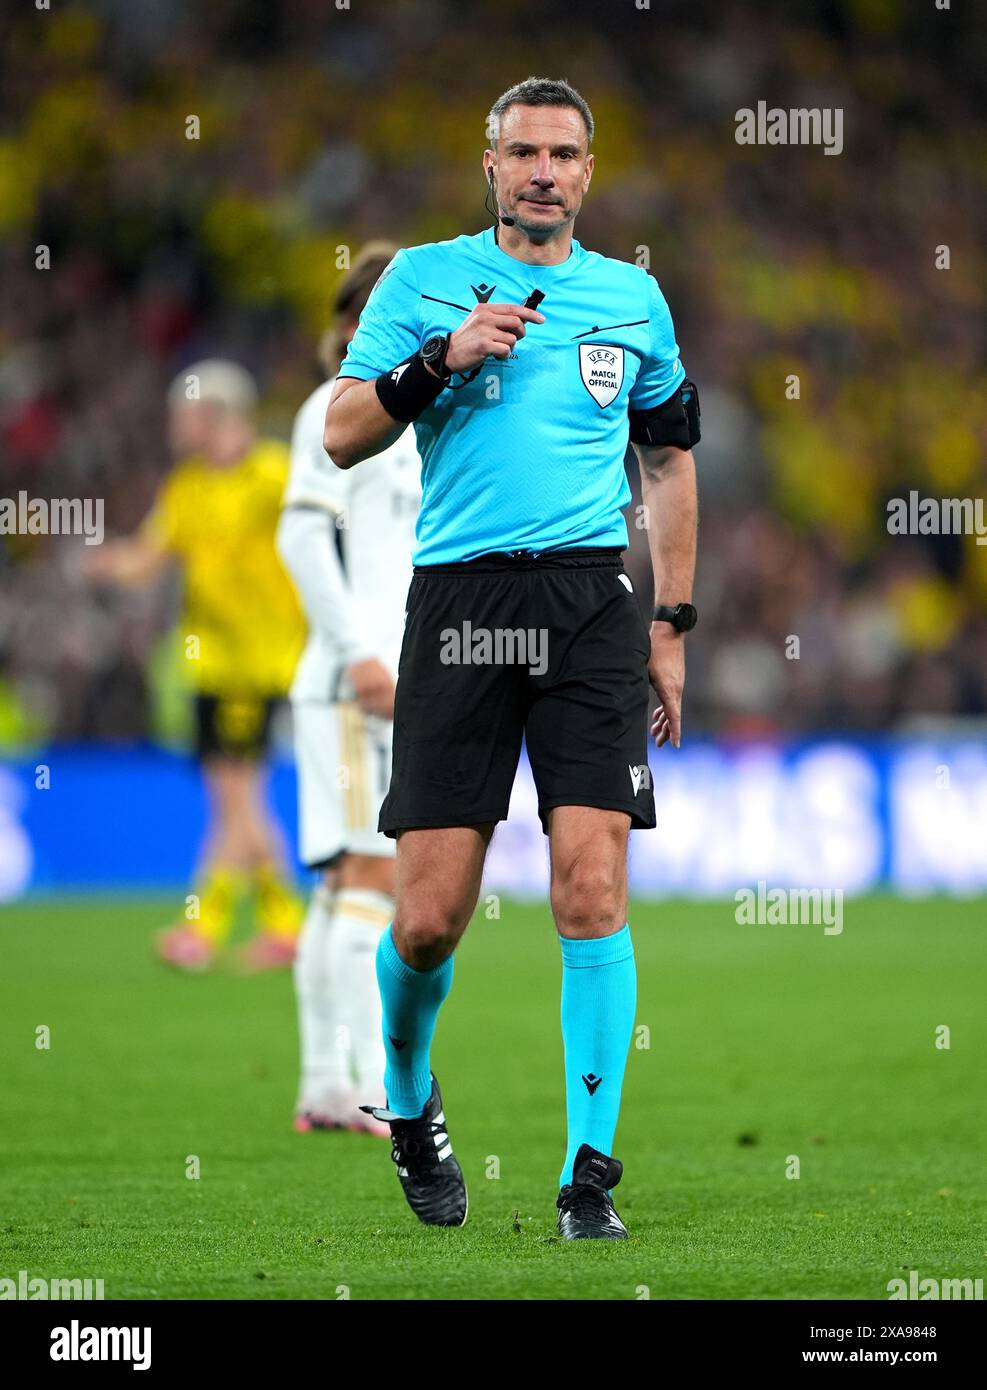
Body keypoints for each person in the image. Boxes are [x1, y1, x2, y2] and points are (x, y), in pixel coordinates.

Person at [324, 76, 699, 1239]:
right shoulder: (418, 281)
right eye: (525, 152)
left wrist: (671, 621)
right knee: (429, 915)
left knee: (591, 886)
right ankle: (407, 1098)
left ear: (590, 172)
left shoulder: (632, 299)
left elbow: (671, 462)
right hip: (464, 601)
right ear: (489, 165)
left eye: (566, 155)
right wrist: (438, 358)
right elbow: (340, 431)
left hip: (589, 598)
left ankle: (589, 1172)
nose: (545, 171)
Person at [88, 361, 305, 971]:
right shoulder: (187, 486)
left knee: (237, 797)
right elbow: (151, 556)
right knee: (234, 799)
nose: (173, 424)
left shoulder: (272, 476)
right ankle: (283, 922)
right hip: (208, 663)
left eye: (182, 411)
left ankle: (203, 927)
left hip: (260, 663)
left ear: (216, 415)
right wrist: (108, 564)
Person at [276, 244, 421, 1136]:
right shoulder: (333, 412)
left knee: (343, 888)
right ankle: (372, 1090)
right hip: (355, 682)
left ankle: (326, 1084)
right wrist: (360, 654)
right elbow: (300, 538)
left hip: (373, 679)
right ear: (349, 325)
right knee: (372, 874)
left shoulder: (410, 413)